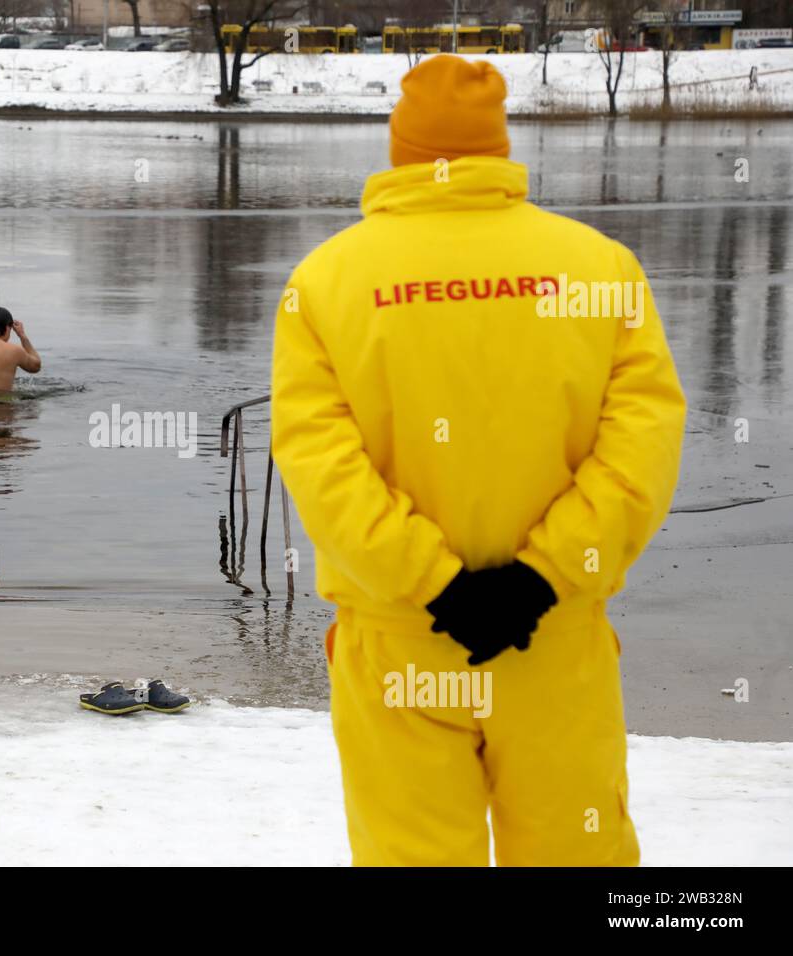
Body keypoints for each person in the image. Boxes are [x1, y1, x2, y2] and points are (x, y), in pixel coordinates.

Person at [270, 55, 686, 866]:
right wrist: (540, 579)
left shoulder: (324, 284)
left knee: (413, 854)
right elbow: (641, 447)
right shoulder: (600, 268)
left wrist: (438, 586)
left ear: (399, 151)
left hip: (401, 641)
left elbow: (324, 468)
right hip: (553, 640)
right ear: (500, 147)